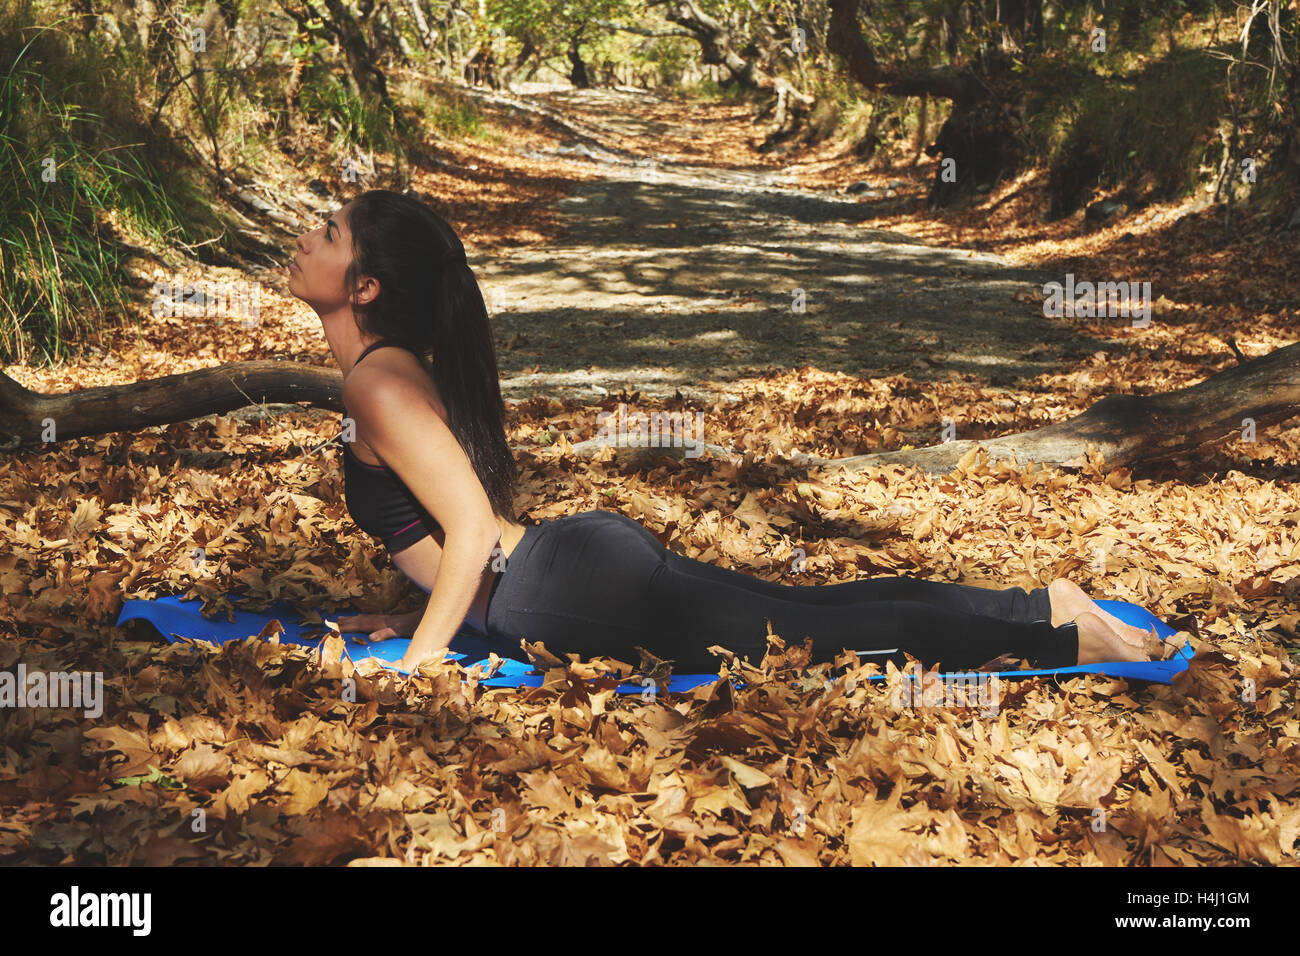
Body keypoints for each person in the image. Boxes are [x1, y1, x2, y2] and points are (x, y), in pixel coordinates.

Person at [288, 189, 1163, 676]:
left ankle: (1060, 639)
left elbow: (472, 528)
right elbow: (449, 530)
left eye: (328, 232)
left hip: (560, 589)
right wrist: (407, 613)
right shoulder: (390, 371)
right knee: (806, 609)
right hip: (568, 566)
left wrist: (421, 662)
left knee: (817, 640)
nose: (305, 238)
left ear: (364, 287)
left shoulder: (379, 386)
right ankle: (1042, 603)